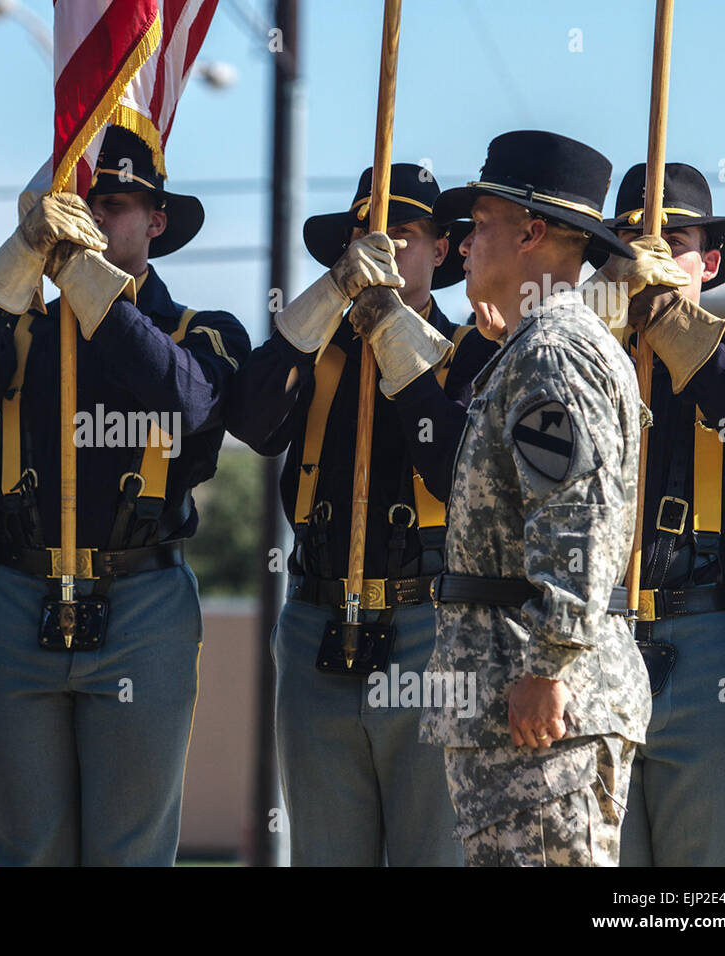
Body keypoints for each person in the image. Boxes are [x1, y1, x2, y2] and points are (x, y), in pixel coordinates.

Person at [0, 126, 250, 865]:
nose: (96, 216)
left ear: (156, 220)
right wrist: (19, 260)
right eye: (83, 201)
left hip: (142, 602)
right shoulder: (21, 328)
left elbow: (187, 404)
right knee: (26, 848)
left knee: (129, 852)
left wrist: (81, 275)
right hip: (21, 596)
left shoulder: (203, 332)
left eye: (117, 203)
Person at [225, 164, 497, 865]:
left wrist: (395, 340)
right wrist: (330, 298)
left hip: (429, 623)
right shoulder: (317, 343)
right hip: (317, 618)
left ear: (442, 251)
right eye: (366, 233)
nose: (383, 246)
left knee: (432, 853)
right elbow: (253, 422)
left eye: (404, 233)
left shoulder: (473, 352)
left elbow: (459, 474)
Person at [417, 130, 657, 866]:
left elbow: (577, 515)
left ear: (532, 232)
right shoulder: (536, 347)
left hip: (541, 698)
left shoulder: (553, 351)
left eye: (481, 224)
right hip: (512, 690)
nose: (463, 245)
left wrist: (548, 663)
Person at [590, 163, 725, 865]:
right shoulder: (583, 357)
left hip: (707, 642)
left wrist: (673, 323)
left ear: (711, 261)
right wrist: (599, 307)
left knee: (698, 877)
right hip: (596, 639)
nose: (655, 250)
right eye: (634, 236)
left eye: (677, 237)